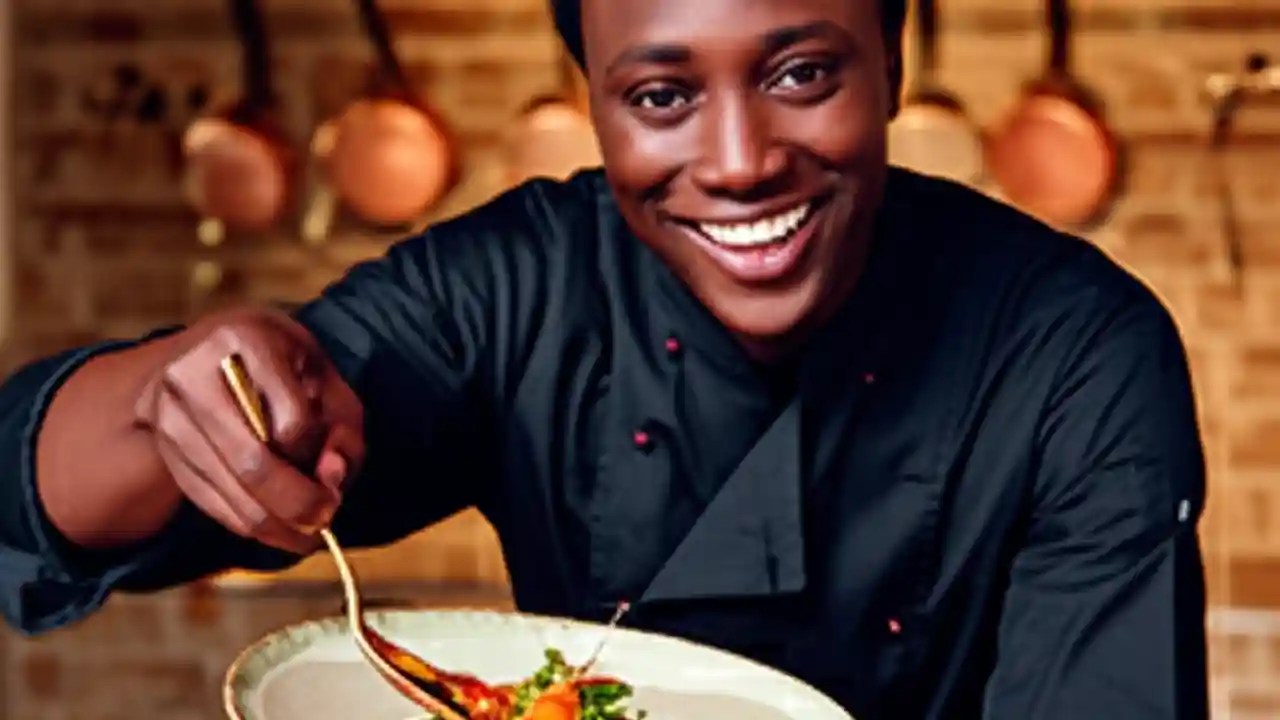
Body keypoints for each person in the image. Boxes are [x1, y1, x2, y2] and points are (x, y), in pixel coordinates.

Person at [0, 0, 1209, 717]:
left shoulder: (1075, 352)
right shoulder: (516, 287)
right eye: (661, 96)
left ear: (889, 63)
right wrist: (167, 397)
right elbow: (28, 497)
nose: (737, 161)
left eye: (800, 74)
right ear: (595, 102)